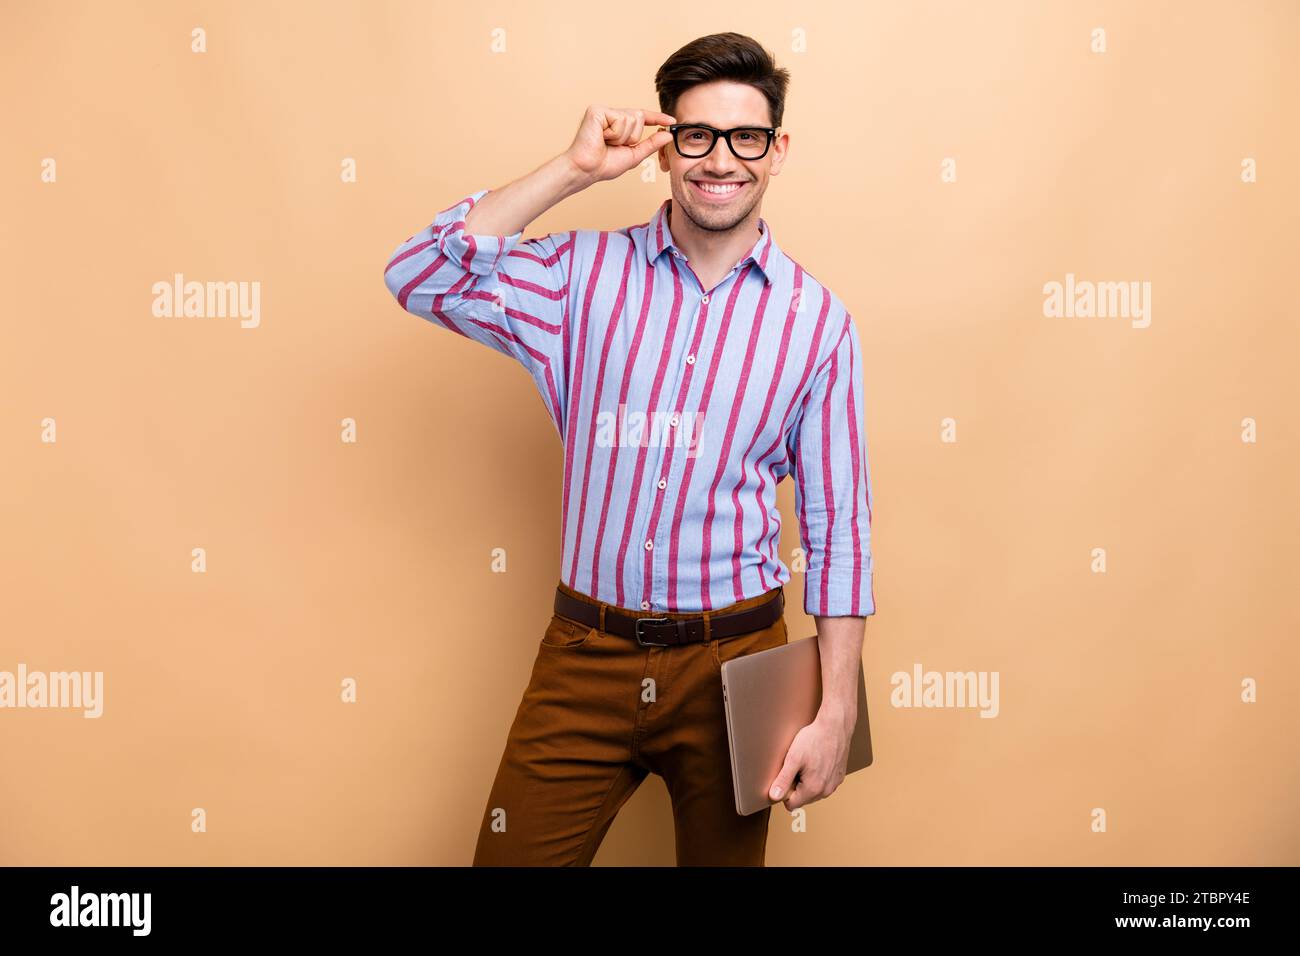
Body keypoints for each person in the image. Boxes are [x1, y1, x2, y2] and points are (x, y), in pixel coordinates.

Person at [383, 32, 875, 866]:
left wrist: (836, 711)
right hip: (586, 656)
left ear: (776, 150)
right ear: (663, 147)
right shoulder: (578, 278)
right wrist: (573, 169)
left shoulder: (818, 325)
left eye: (745, 137)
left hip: (738, 664)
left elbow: (839, 529)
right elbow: (421, 274)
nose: (721, 160)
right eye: (696, 136)